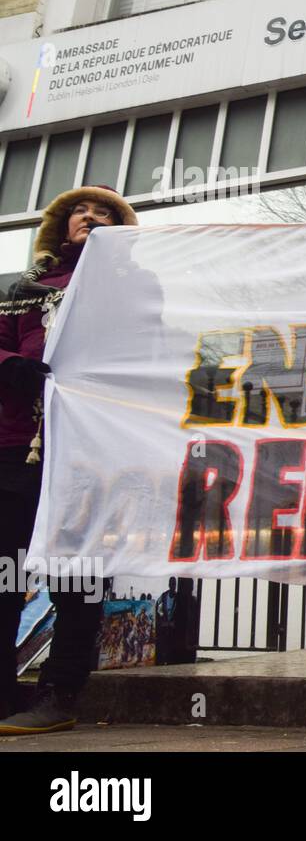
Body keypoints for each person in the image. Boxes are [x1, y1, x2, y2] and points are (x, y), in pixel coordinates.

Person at [0, 185, 138, 736]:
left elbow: (146, 355)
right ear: (62, 223)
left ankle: (60, 693)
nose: (91, 216)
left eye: (105, 213)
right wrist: (10, 364)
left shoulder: (134, 290)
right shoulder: (22, 289)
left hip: (87, 453)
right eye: (82, 209)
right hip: (16, 448)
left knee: (77, 575)